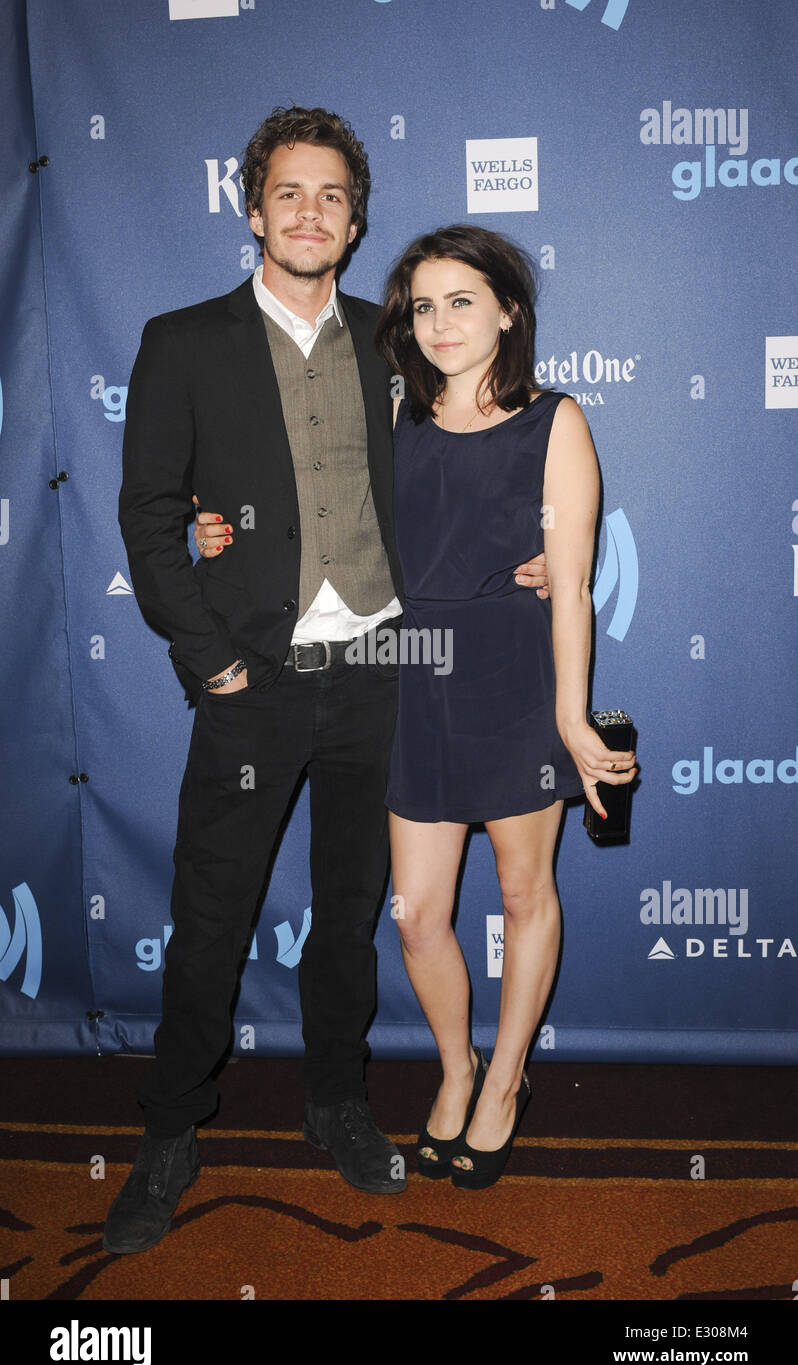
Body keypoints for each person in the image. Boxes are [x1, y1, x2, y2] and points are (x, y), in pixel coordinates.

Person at [106, 109, 549, 1254]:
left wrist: (538, 552)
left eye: (333, 196)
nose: (310, 213)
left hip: (385, 671)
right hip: (253, 676)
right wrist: (210, 658)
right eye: (289, 194)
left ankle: (338, 1103)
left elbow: (465, 461)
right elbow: (153, 520)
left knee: (353, 914)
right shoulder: (182, 340)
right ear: (253, 209)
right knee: (212, 916)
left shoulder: (393, 342)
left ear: (357, 222)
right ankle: (167, 1131)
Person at [372, 225, 638, 1187]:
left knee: (526, 896)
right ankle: (458, 1064)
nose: (440, 322)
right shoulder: (390, 415)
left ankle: (506, 1080)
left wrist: (573, 720)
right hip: (416, 678)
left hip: (515, 677)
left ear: (508, 311)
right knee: (417, 914)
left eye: (462, 301)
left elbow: (569, 585)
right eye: (424, 305)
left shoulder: (554, 421)